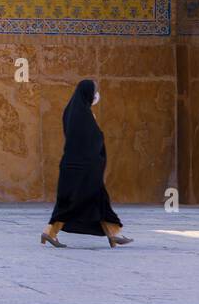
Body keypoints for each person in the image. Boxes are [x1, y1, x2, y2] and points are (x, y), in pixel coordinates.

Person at [41, 79, 133, 248]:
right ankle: (50, 232)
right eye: (94, 91)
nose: (96, 95)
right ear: (88, 93)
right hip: (84, 167)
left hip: (72, 164)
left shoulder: (71, 111)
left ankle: (113, 233)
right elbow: (92, 139)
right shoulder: (83, 114)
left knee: (94, 199)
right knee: (78, 200)